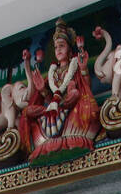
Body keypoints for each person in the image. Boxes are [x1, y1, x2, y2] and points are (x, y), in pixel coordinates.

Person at [19, 18, 99, 164]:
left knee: (74, 91)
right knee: (27, 111)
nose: (59, 50)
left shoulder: (74, 66)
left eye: (62, 46)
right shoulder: (52, 73)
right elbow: (50, 100)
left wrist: (83, 69)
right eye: (56, 47)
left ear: (69, 49)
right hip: (52, 113)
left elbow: (85, 88)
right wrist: (43, 90)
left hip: (69, 109)